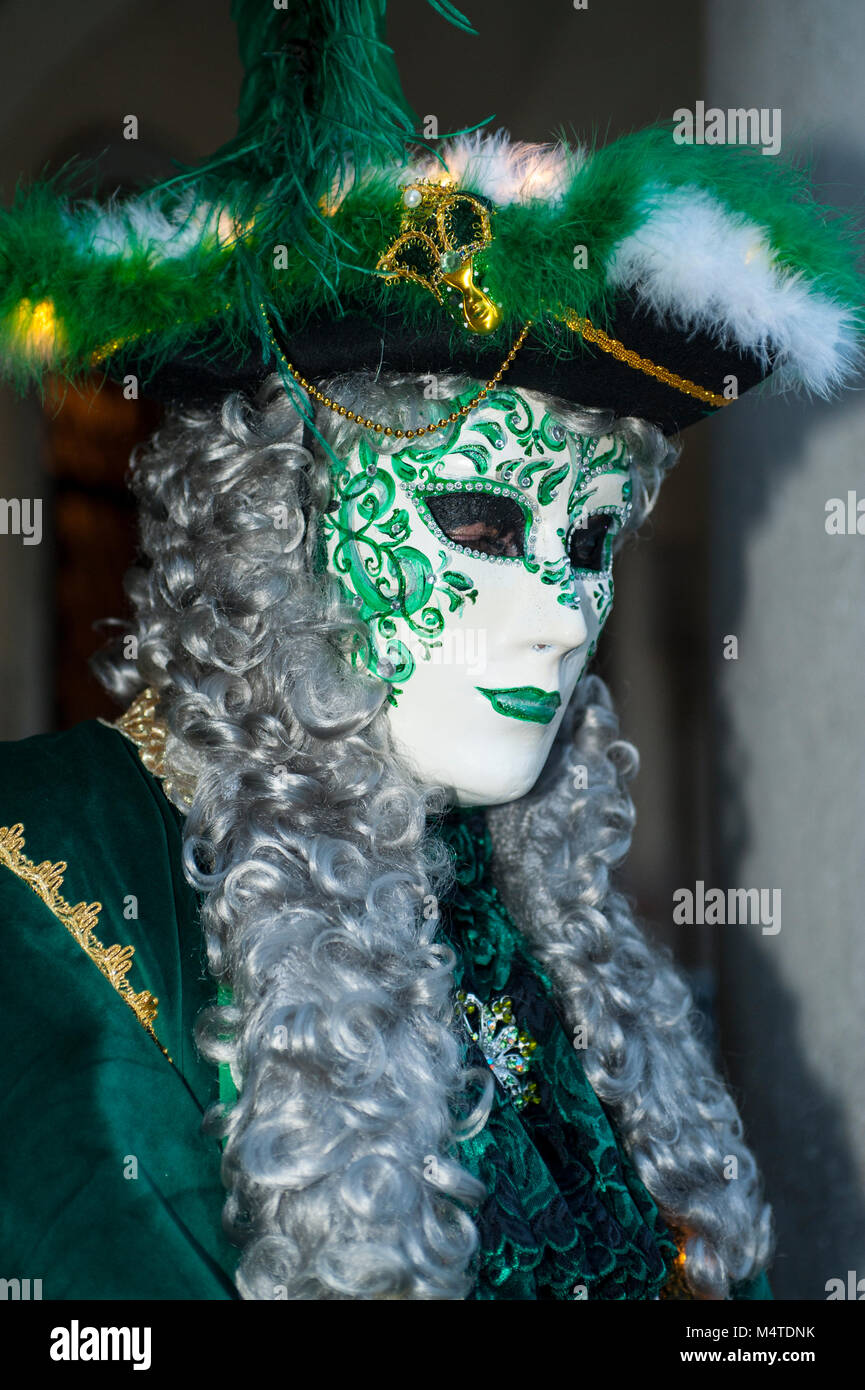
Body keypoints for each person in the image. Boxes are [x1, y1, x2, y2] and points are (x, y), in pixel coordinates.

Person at [0, 1, 861, 1300]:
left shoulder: (507, 891)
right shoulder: (51, 862)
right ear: (270, 526)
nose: (566, 613)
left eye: (586, 538)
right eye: (475, 522)